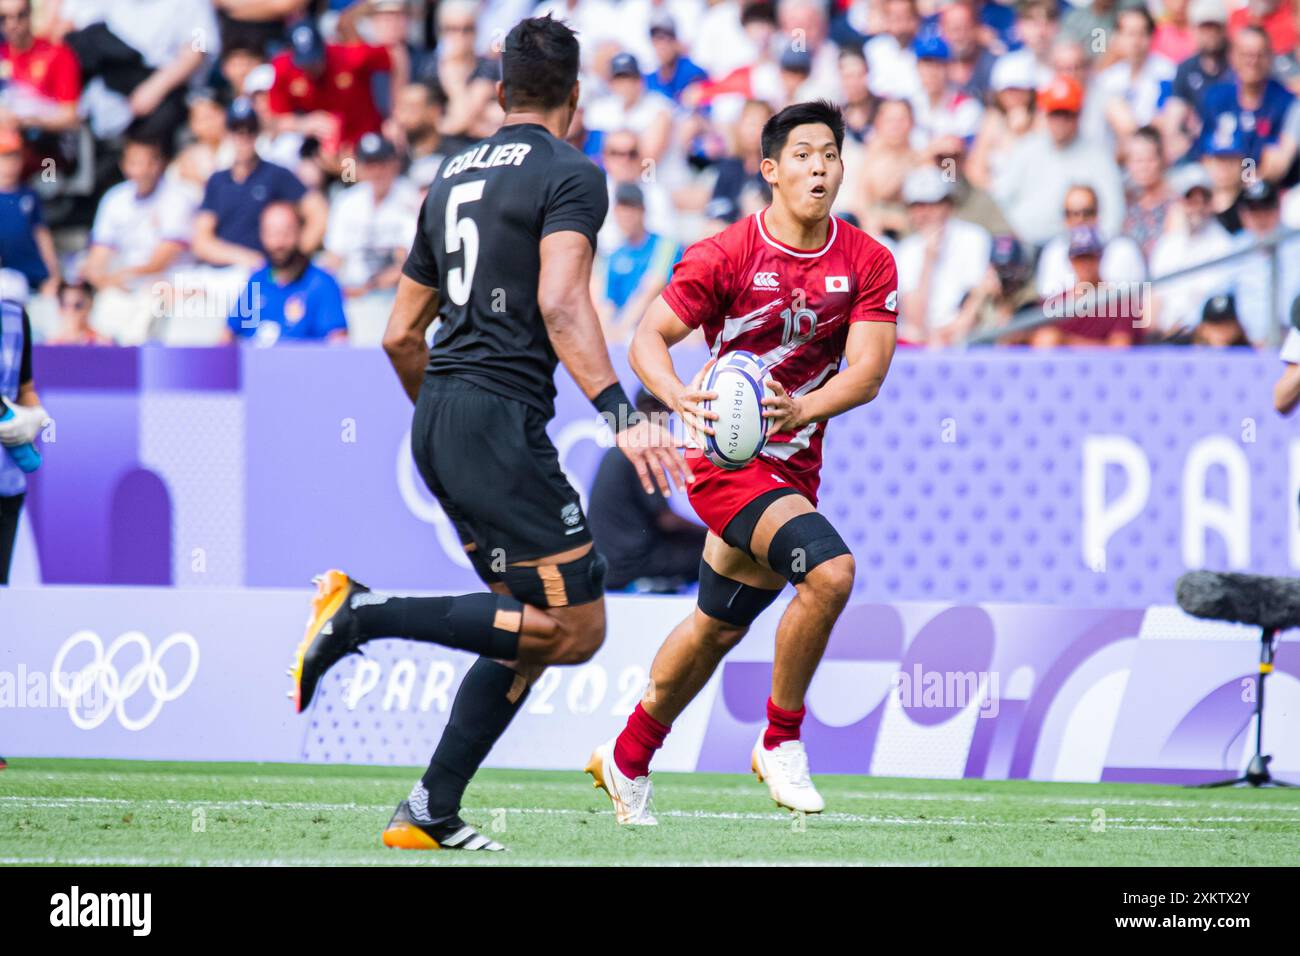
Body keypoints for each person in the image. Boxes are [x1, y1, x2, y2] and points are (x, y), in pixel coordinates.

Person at [288, 16, 686, 853]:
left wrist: (444, 417)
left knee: (526, 621)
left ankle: (429, 808)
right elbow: (562, 301)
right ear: (575, 100)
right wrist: (621, 415)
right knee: (579, 631)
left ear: (500, 93)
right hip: (499, 423)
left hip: (440, 416)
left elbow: (399, 333)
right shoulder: (572, 173)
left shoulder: (450, 173)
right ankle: (362, 612)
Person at [586, 99, 899, 824]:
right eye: (802, 154)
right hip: (726, 461)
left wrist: (804, 410)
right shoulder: (726, 253)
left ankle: (626, 757)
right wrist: (673, 400)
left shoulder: (868, 261)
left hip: (792, 467)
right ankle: (781, 739)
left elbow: (869, 372)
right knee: (830, 573)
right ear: (770, 170)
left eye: (830, 153)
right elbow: (646, 339)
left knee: (716, 626)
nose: (819, 166)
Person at [589, 389, 707, 592]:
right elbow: (667, 522)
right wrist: (712, 534)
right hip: (630, 565)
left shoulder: (622, 450)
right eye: (666, 411)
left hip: (610, 562)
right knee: (716, 554)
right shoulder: (641, 450)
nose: (668, 419)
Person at [993, 74, 1126, 246]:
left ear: (1078, 115)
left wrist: (1093, 250)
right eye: (1054, 113)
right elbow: (1001, 196)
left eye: (1066, 114)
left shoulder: (1098, 157)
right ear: (1045, 114)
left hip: (1073, 250)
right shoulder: (1026, 148)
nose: (1060, 121)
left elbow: (1113, 216)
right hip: (1022, 245)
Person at [225, 202, 349, 346]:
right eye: (271, 233)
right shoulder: (256, 280)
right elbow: (227, 336)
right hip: (254, 365)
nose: (279, 242)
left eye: (286, 232)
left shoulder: (321, 283)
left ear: (300, 232)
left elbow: (338, 343)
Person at [896, 165, 992, 346]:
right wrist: (928, 260)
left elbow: (977, 302)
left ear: (948, 205)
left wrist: (944, 335)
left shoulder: (973, 238)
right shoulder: (907, 249)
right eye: (916, 205)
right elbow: (915, 320)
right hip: (921, 341)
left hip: (965, 337)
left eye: (931, 204)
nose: (923, 213)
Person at [0, 126, 59, 301]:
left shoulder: (29, 194)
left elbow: (41, 233)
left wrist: (53, 273)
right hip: (7, 277)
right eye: (4, 157)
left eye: (14, 157)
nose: (10, 164)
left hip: (34, 276)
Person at [47, 280, 111, 345]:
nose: (71, 310)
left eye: (78, 305)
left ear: (89, 306)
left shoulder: (102, 344)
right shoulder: (51, 345)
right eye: (65, 304)